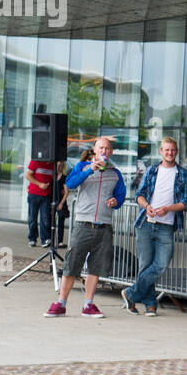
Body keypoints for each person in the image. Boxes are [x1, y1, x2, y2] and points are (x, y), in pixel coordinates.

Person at [44, 136, 125, 319]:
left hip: (104, 225)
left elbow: (121, 195)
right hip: (83, 224)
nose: (104, 151)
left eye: (107, 148)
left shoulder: (115, 173)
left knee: (96, 267)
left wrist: (116, 201)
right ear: (94, 150)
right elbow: (70, 184)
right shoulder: (82, 167)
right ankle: (61, 303)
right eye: (101, 148)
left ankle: (88, 305)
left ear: (111, 152)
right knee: (72, 264)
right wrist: (89, 169)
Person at [123, 138, 187, 317]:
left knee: (161, 264)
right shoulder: (151, 170)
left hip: (167, 226)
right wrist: (147, 206)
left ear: (176, 152)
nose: (170, 153)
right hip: (146, 223)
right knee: (145, 265)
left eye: (173, 150)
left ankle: (130, 294)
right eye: (166, 150)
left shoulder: (183, 174)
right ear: (161, 151)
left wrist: (168, 209)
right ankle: (150, 303)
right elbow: (139, 195)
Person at [24, 155, 56, 247]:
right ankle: (32, 238)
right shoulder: (36, 161)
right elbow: (27, 175)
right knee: (32, 218)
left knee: (45, 218)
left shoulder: (52, 166)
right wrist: (39, 184)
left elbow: (54, 178)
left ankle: (45, 239)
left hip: (46, 195)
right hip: (34, 194)